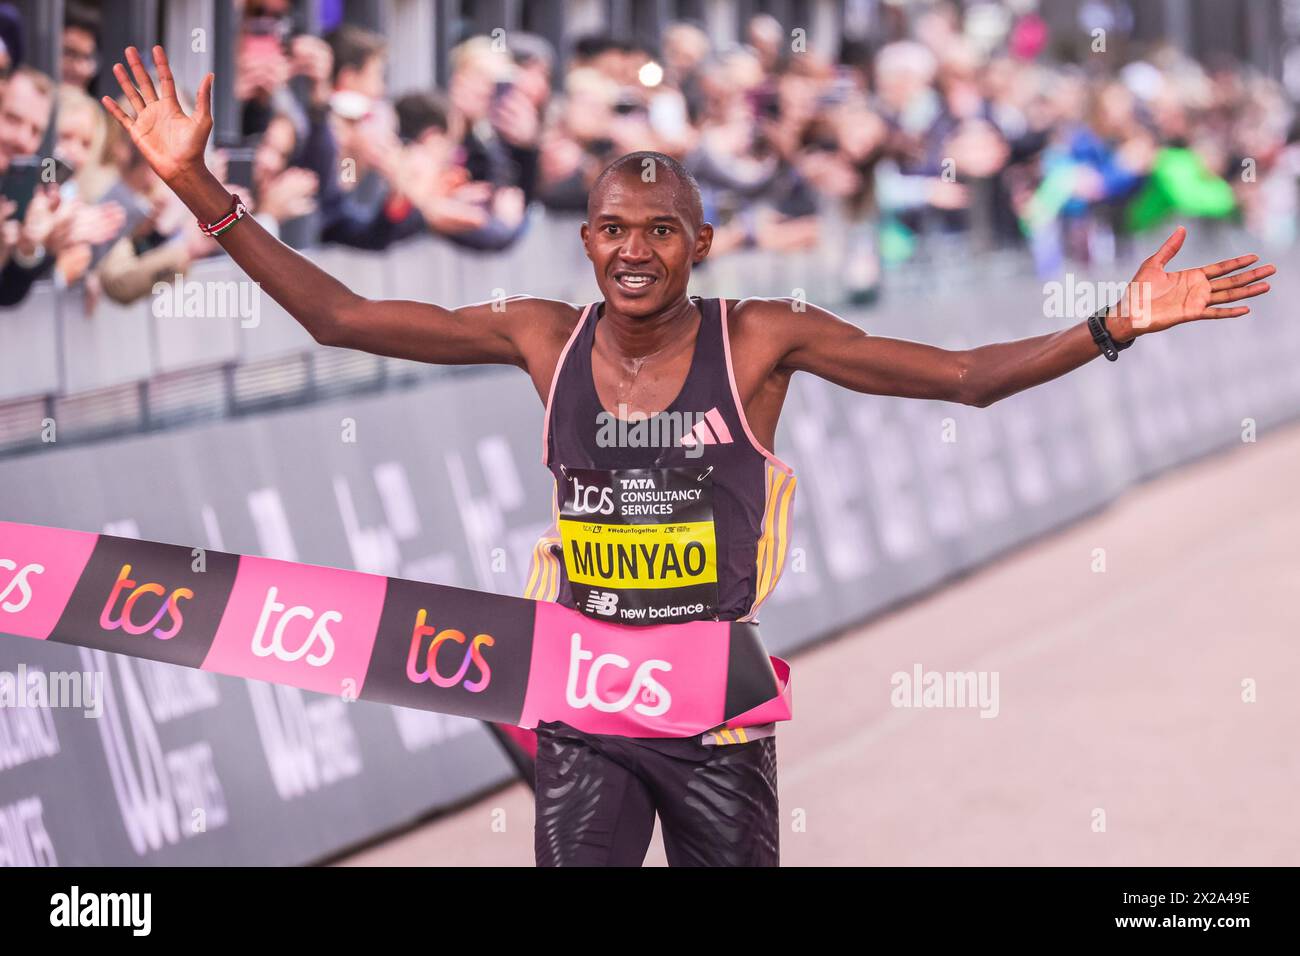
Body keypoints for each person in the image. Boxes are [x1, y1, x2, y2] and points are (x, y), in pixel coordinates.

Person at [102, 45, 1275, 866]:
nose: (634, 250)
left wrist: (1111, 324)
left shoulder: (762, 336)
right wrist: (199, 185)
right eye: (613, 228)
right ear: (588, 238)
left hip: (709, 709)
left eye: (662, 230)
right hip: (583, 702)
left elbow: (963, 378)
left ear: (700, 243)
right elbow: (342, 319)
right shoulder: (537, 335)